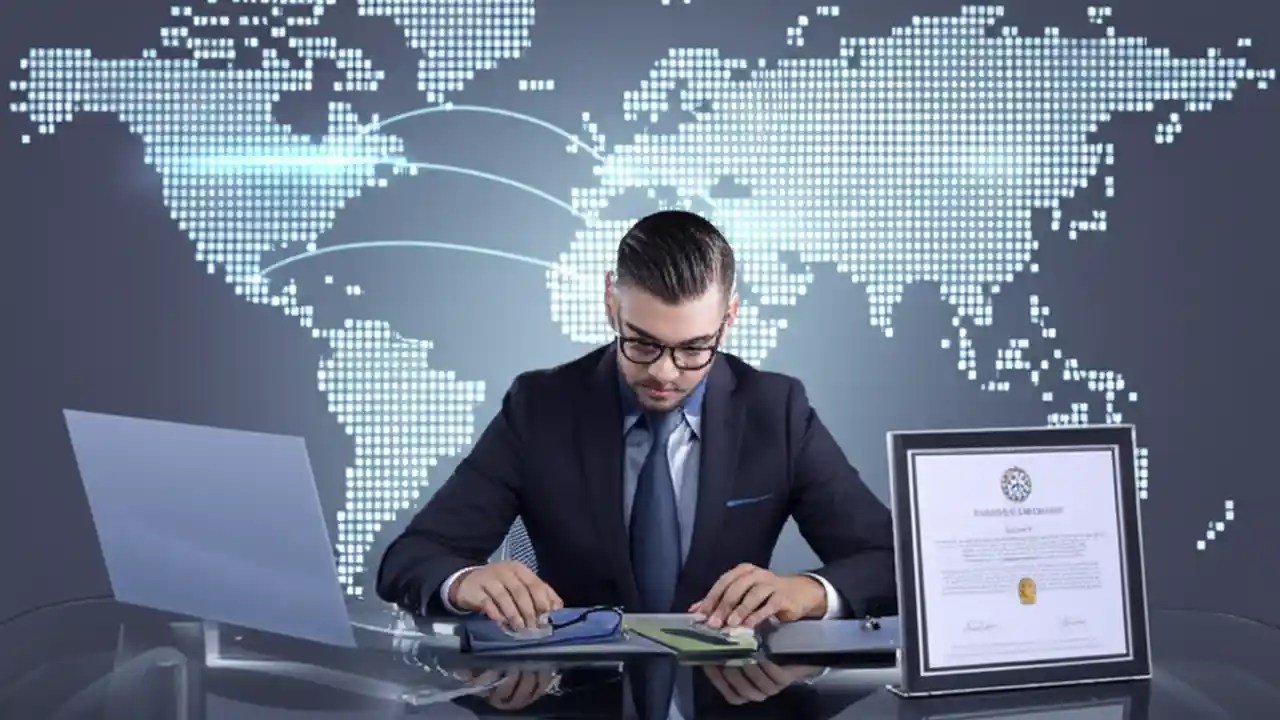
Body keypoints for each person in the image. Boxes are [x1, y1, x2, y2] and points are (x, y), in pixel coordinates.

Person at [376, 210, 896, 631]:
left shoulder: (777, 410)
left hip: (732, 704)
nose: (665, 373)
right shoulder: (540, 407)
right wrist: (464, 582)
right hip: (573, 702)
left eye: (695, 348)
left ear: (729, 318)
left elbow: (892, 561)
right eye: (642, 342)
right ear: (611, 303)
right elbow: (411, 557)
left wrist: (807, 593)